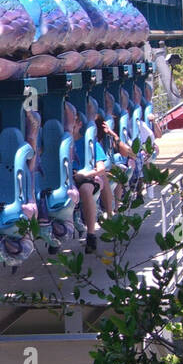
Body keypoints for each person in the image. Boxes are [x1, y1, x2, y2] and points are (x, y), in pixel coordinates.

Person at [65, 101, 112, 253]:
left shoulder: (88, 143)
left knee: (85, 189)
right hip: (66, 179)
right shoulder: (61, 144)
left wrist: (85, 174)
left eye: (72, 123)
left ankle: (91, 234)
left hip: (86, 177)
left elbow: (101, 169)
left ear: (79, 124)